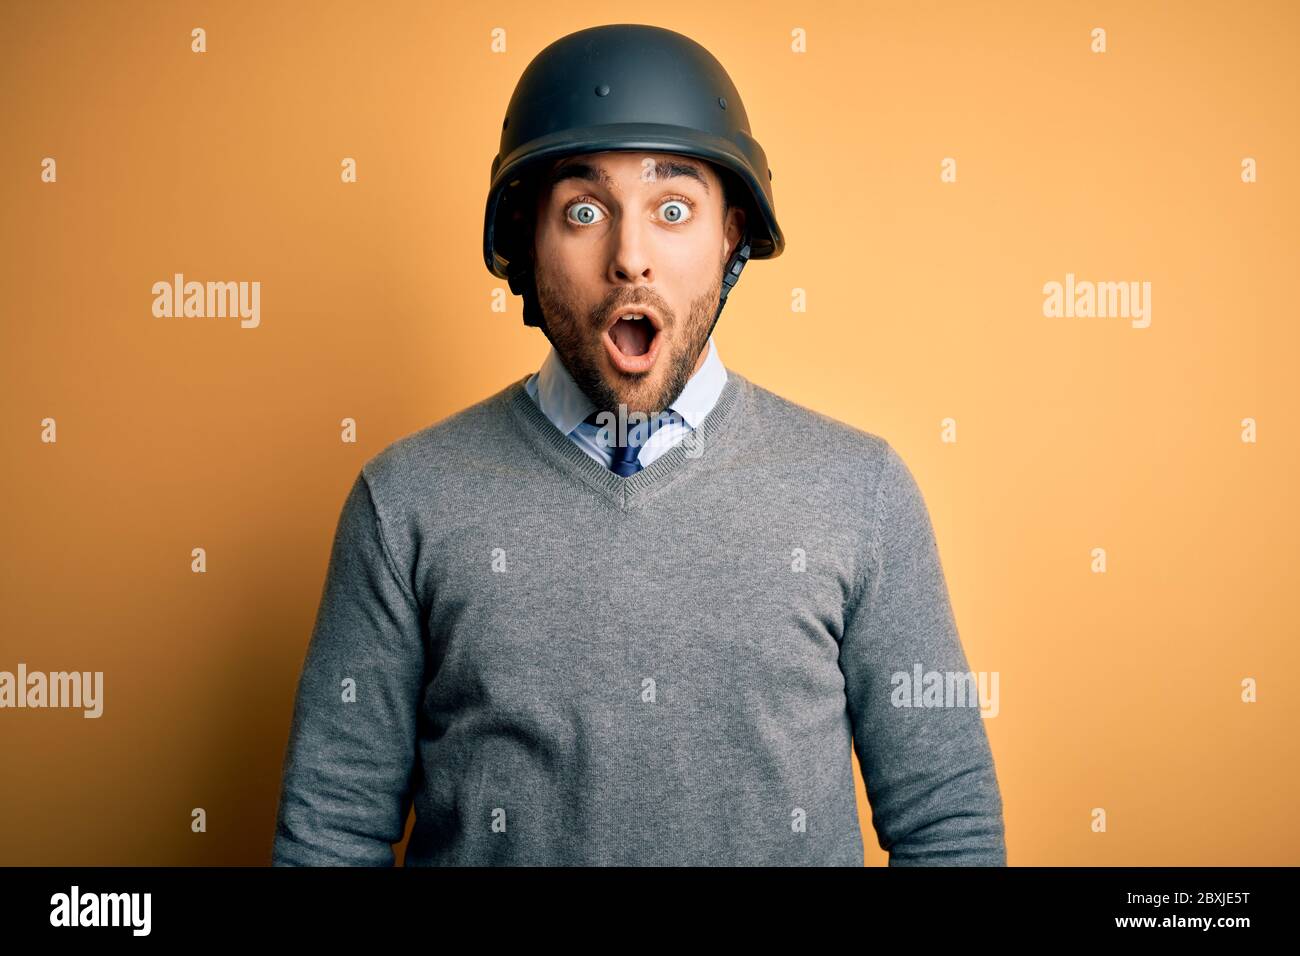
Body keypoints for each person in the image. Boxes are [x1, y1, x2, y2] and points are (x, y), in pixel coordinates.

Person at [271, 23, 1006, 866]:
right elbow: (330, 836)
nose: (630, 258)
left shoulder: (860, 491)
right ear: (528, 247)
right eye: (583, 212)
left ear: (731, 236)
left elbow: (948, 829)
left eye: (673, 210)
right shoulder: (404, 503)